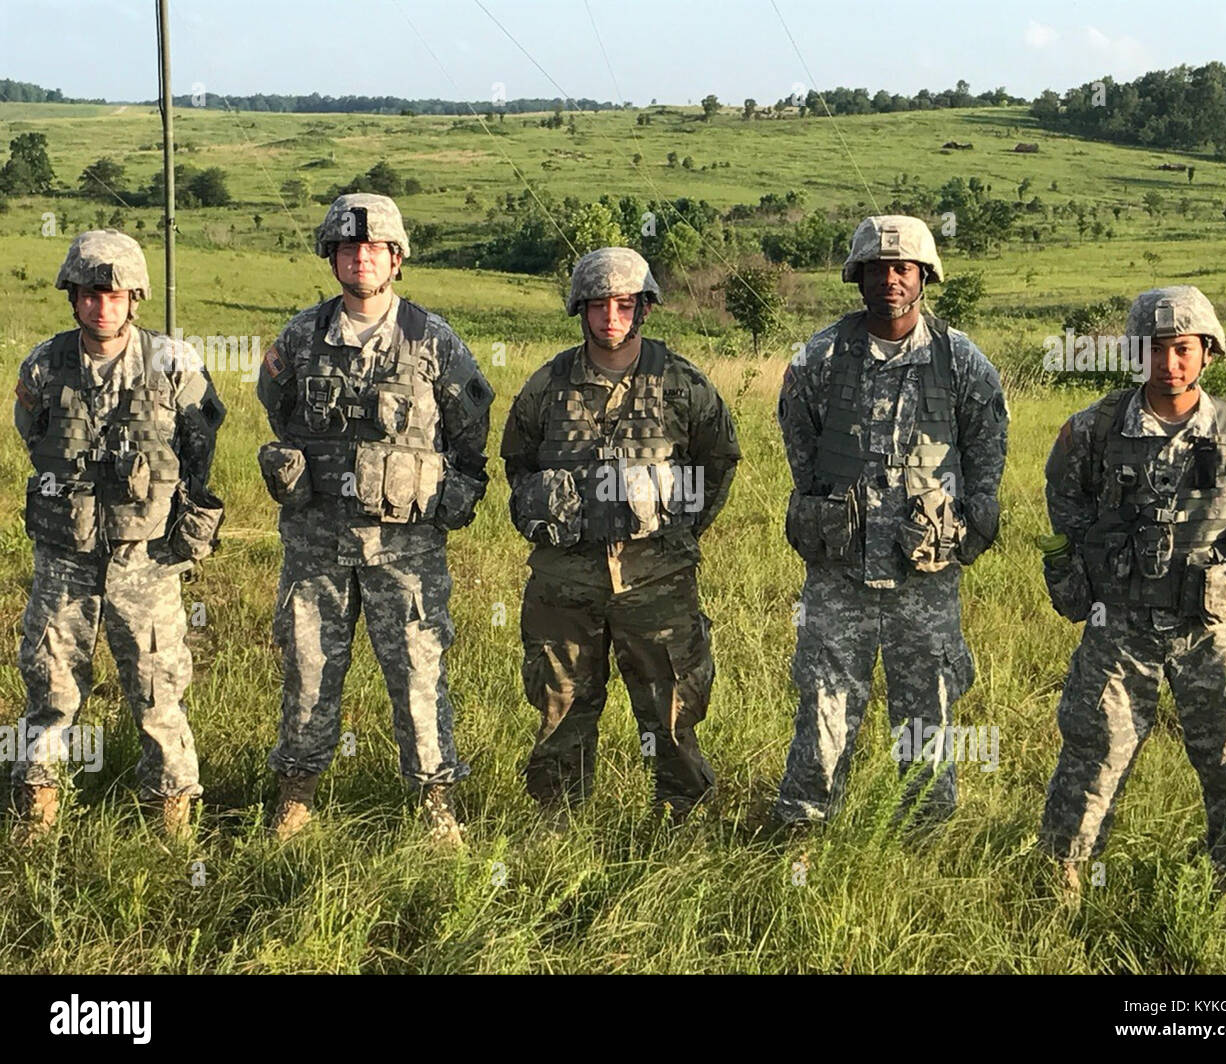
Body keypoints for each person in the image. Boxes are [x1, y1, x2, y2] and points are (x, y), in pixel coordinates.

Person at [1038, 285, 1226, 938]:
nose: (1169, 363)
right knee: (1093, 749)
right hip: (1121, 627)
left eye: (1182, 348)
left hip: (1210, 631)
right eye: (1154, 349)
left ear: (1207, 352)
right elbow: (1064, 499)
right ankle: (1065, 878)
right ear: (1136, 354)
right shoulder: (1095, 430)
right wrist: (1089, 567)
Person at [256, 194, 493, 845]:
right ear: (331, 257)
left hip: (405, 549)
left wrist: (449, 492)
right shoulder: (301, 338)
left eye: (374, 249)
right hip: (317, 543)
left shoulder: (433, 340)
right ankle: (296, 794)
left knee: (418, 673)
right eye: (348, 248)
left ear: (396, 258)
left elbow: (470, 427)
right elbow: (277, 406)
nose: (361, 259)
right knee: (308, 671)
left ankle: (435, 801)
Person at [769, 215, 1008, 830]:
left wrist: (961, 532)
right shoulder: (820, 357)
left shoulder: (960, 361)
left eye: (903, 268)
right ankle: (804, 827)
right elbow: (802, 449)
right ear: (858, 276)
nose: (890, 280)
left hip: (924, 574)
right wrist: (828, 515)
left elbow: (985, 460)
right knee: (823, 706)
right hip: (839, 572)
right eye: (877, 268)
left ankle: (925, 831)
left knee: (928, 706)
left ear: (924, 276)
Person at [500, 247, 740, 831]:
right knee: (561, 703)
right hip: (564, 580)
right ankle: (558, 822)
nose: (611, 317)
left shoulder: (681, 383)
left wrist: (677, 532)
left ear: (645, 309)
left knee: (671, 707)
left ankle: (680, 818)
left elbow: (717, 460)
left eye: (625, 305)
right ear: (580, 309)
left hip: (657, 581)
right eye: (599, 305)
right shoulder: (547, 385)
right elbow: (518, 460)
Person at [10, 229, 225, 844]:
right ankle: (38, 804)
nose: (101, 307)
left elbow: (200, 442)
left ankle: (171, 810)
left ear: (135, 298)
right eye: (89, 295)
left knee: (158, 688)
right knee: (50, 683)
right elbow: (33, 432)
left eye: (114, 295)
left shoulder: (173, 363)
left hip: (145, 556)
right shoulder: (45, 364)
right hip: (66, 553)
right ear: (72, 298)